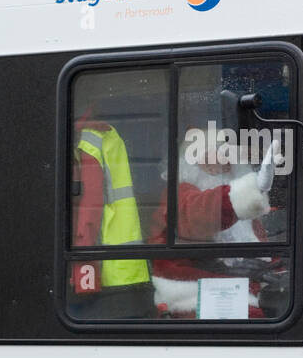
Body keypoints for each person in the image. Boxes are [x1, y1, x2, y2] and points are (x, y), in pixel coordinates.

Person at [149, 130, 282, 318]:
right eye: (213, 156)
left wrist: (279, 275)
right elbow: (199, 214)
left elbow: (267, 257)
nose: (223, 164)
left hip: (241, 296)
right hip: (196, 302)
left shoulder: (245, 213)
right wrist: (250, 190)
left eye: (228, 157)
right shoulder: (180, 194)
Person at [70, 117, 155, 318]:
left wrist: (83, 270)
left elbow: (88, 213)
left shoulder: (89, 141)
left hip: (106, 272)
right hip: (128, 266)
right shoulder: (108, 134)